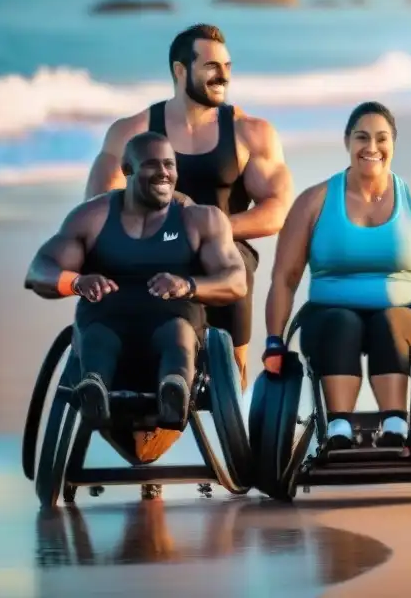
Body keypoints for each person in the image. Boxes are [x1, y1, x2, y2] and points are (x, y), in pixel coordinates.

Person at [84, 24, 292, 496]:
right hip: (146, 251)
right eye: (211, 66)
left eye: (227, 67)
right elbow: (98, 203)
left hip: (223, 251)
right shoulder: (132, 131)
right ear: (181, 70)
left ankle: (228, 403)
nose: (223, 75)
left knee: (233, 274)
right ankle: (131, 407)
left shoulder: (248, 132)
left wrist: (208, 226)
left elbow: (276, 209)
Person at [262, 102, 411, 450]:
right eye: (362, 137)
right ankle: (338, 428)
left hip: (405, 316)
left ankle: (396, 423)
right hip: (327, 316)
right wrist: (274, 340)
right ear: (347, 141)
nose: (371, 147)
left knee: (389, 322)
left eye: (381, 138)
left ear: (393, 143)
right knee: (341, 323)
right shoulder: (314, 201)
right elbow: (285, 277)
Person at [24, 132, 248, 433]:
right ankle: (94, 390)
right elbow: (39, 269)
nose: (164, 173)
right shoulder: (93, 216)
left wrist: (187, 286)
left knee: (177, 335)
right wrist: (76, 282)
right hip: (106, 322)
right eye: (152, 164)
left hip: (172, 320)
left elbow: (235, 281)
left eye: (170, 164)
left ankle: (175, 391)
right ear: (127, 170)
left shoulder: (200, 219)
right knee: (99, 337)